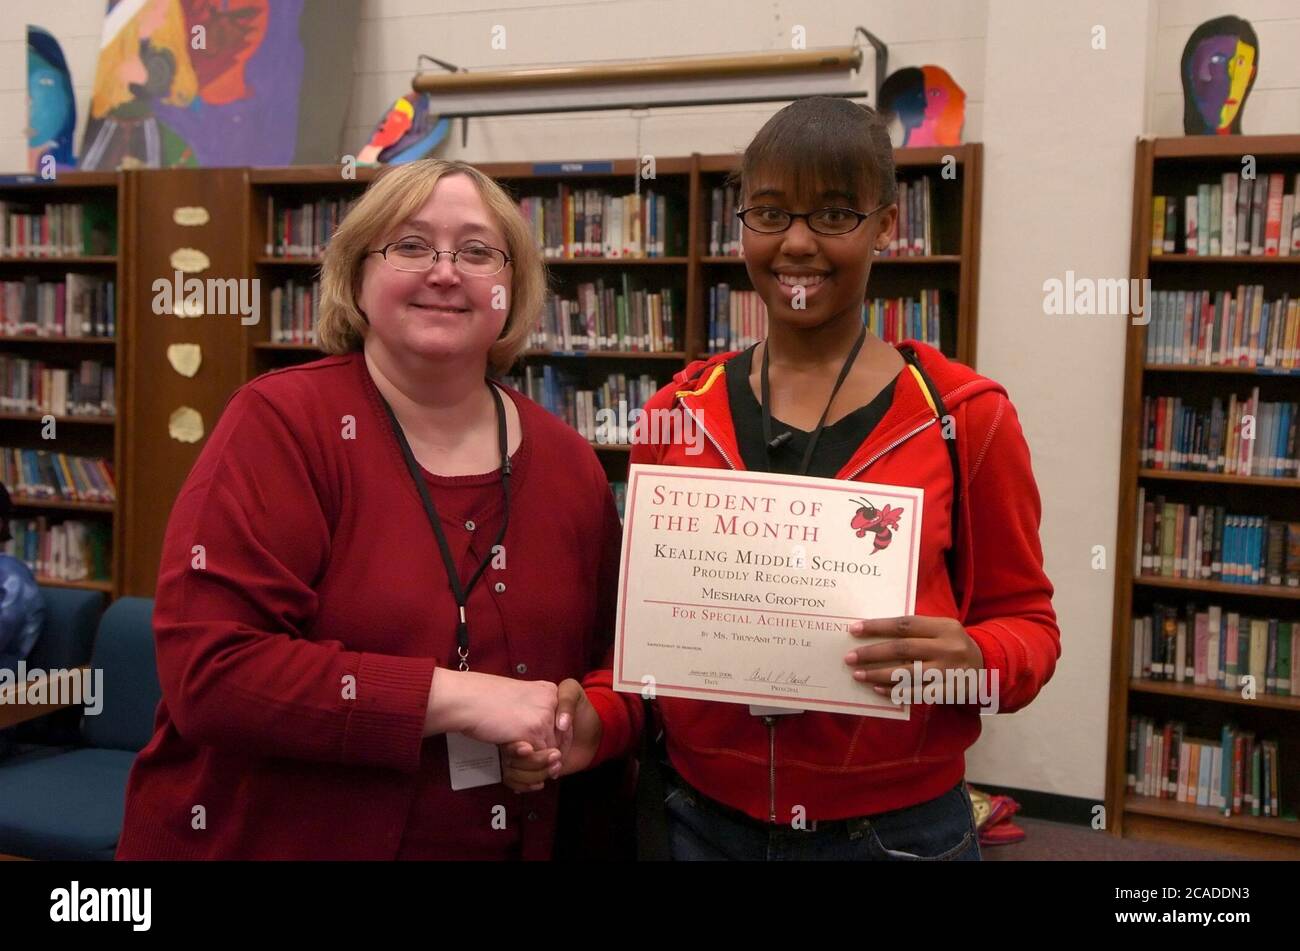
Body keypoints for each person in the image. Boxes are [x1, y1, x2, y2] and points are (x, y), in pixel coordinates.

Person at [507, 97, 1060, 860]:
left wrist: (975, 664)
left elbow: (1029, 626)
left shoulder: (965, 417)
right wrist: (597, 716)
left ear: (887, 227)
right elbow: (651, 647)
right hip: (697, 821)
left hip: (894, 835)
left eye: (834, 214)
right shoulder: (677, 417)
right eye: (769, 213)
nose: (796, 243)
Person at [116, 158, 639, 860]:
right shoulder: (280, 425)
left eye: (478, 251)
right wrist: (459, 698)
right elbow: (211, 672)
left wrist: (588, 723)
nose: (445, 271)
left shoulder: (571, 464)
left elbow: (621, 662)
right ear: (357, 278)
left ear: (511, 289)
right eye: (411, 245)